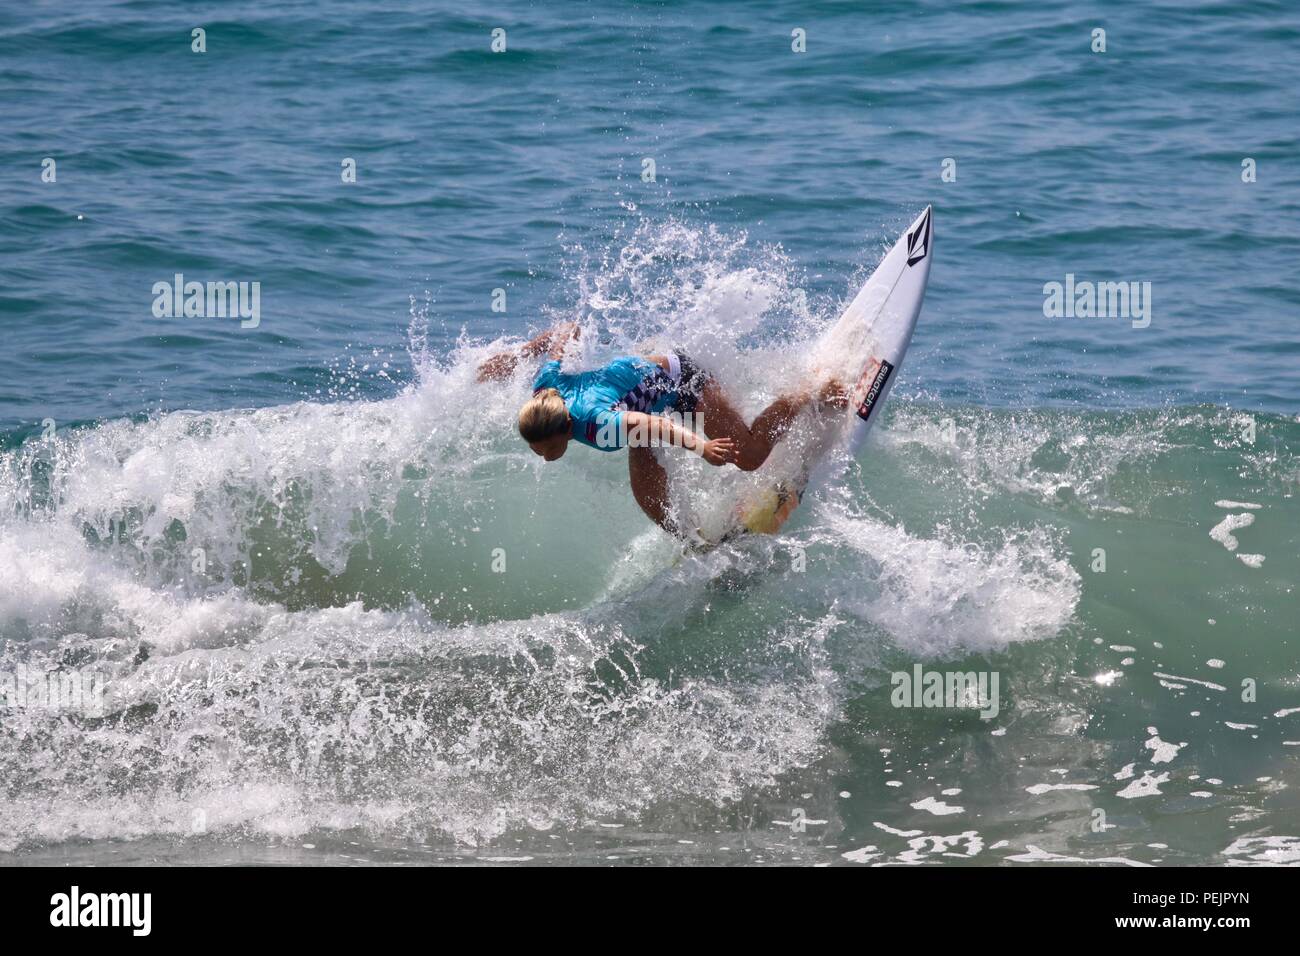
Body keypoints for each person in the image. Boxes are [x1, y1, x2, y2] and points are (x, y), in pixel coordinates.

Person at [478, 322, 844, 535]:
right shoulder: (545, 390)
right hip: (643, 390)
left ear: (567, 426)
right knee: (646, 482)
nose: (540, 456)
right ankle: (692, 538)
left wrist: (703, 448)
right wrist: (519, 355)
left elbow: (653, 424)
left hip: (681, 380)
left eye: (544, 448)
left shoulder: (597, 423)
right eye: (534, 448)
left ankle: (810, 391)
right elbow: (568, 329)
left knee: (746, 456)